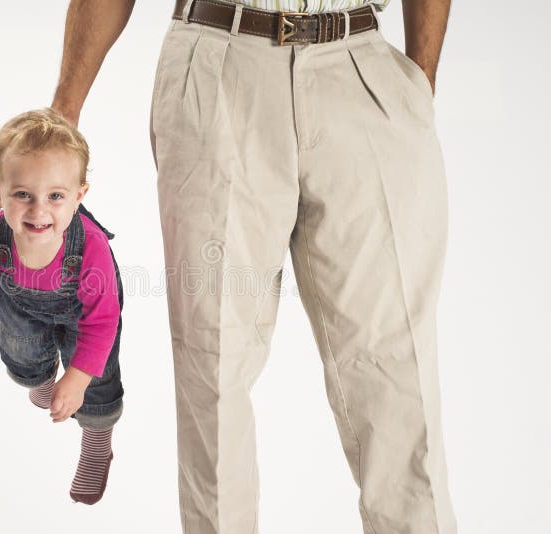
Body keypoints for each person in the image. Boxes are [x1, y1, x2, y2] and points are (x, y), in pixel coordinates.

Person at [52, 0, 457, 532]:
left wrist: (419, 83)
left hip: (362, 68)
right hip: (219, 59)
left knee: (394, 364)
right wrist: (64, 110)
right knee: (212, 360)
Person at [0, 108, 125, 505]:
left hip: (88, 317)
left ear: (79, 197)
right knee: (21, 356)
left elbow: (103, 321)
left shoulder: (91, 248)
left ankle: (97, 443)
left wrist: (79, 377)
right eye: (22, 195)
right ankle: (40, 381)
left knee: (97, 382)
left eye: (56, 196)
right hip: (22, 310)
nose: (39, 210)